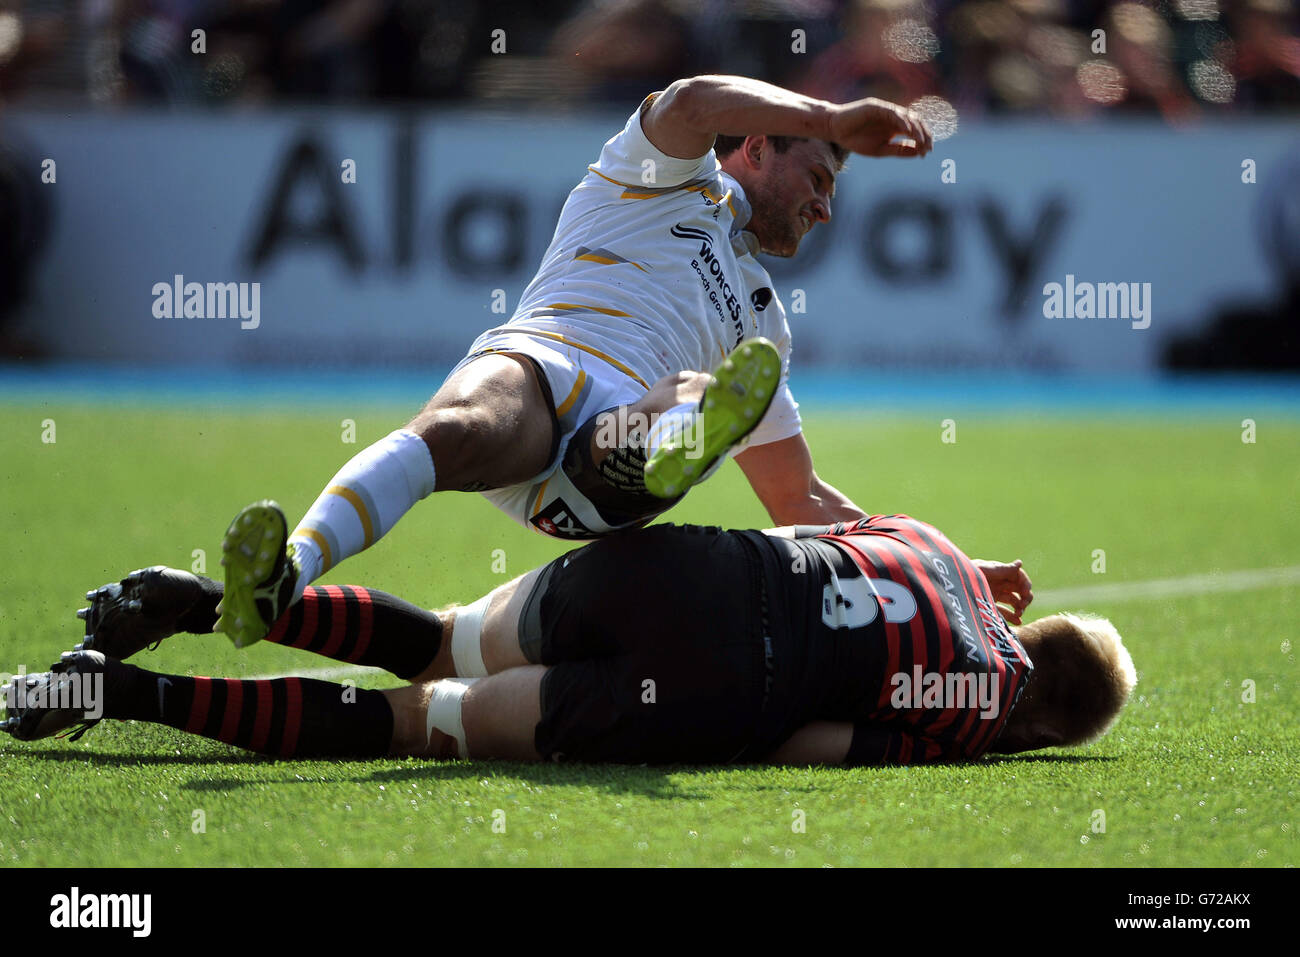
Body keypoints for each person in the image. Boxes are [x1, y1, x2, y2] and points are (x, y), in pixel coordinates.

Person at [213, 74, 935, 649]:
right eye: (817, 178)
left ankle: (679, 436)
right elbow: (689, 100)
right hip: (542, 371)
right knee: (454, 425)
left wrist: (934, 570)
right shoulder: (657, 175)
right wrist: (832, 119)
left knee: (685, 394)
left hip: (599, 477)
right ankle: (284, 577)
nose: (825, 208)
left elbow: (797, 500)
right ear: (755, 147)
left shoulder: (765, 324)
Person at [3, 514, 1136, 766]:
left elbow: (814, 527)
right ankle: (123, 696)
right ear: (1044, 719)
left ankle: (204, 600)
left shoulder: (939, 546)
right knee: (418, 722)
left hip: (696, 563)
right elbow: (814, 750)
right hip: (716, 679)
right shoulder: (985, 710)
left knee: (447, 637)